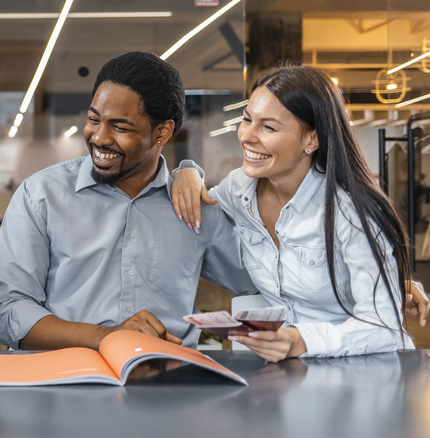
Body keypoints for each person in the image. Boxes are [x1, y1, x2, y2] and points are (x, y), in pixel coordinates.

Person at [0, 52, 256, 351]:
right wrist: (107, 337)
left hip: (165, 382)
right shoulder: (41, 195)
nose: (99, 137)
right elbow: (5, 311)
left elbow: (262, 283)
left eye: (120, 127)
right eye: (93, 119)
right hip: (62, 382)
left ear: (161, 132)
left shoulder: (194, 207)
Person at [170, 64, 421, 361]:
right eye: (247, 120)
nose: (247, 136)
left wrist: (299, 339)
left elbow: (384, 327)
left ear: (311, 140)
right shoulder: (238, 188)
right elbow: (201, 207)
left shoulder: (350, 210)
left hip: (366, 372)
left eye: (268, 127)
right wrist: (187, 172)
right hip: (291, 373)